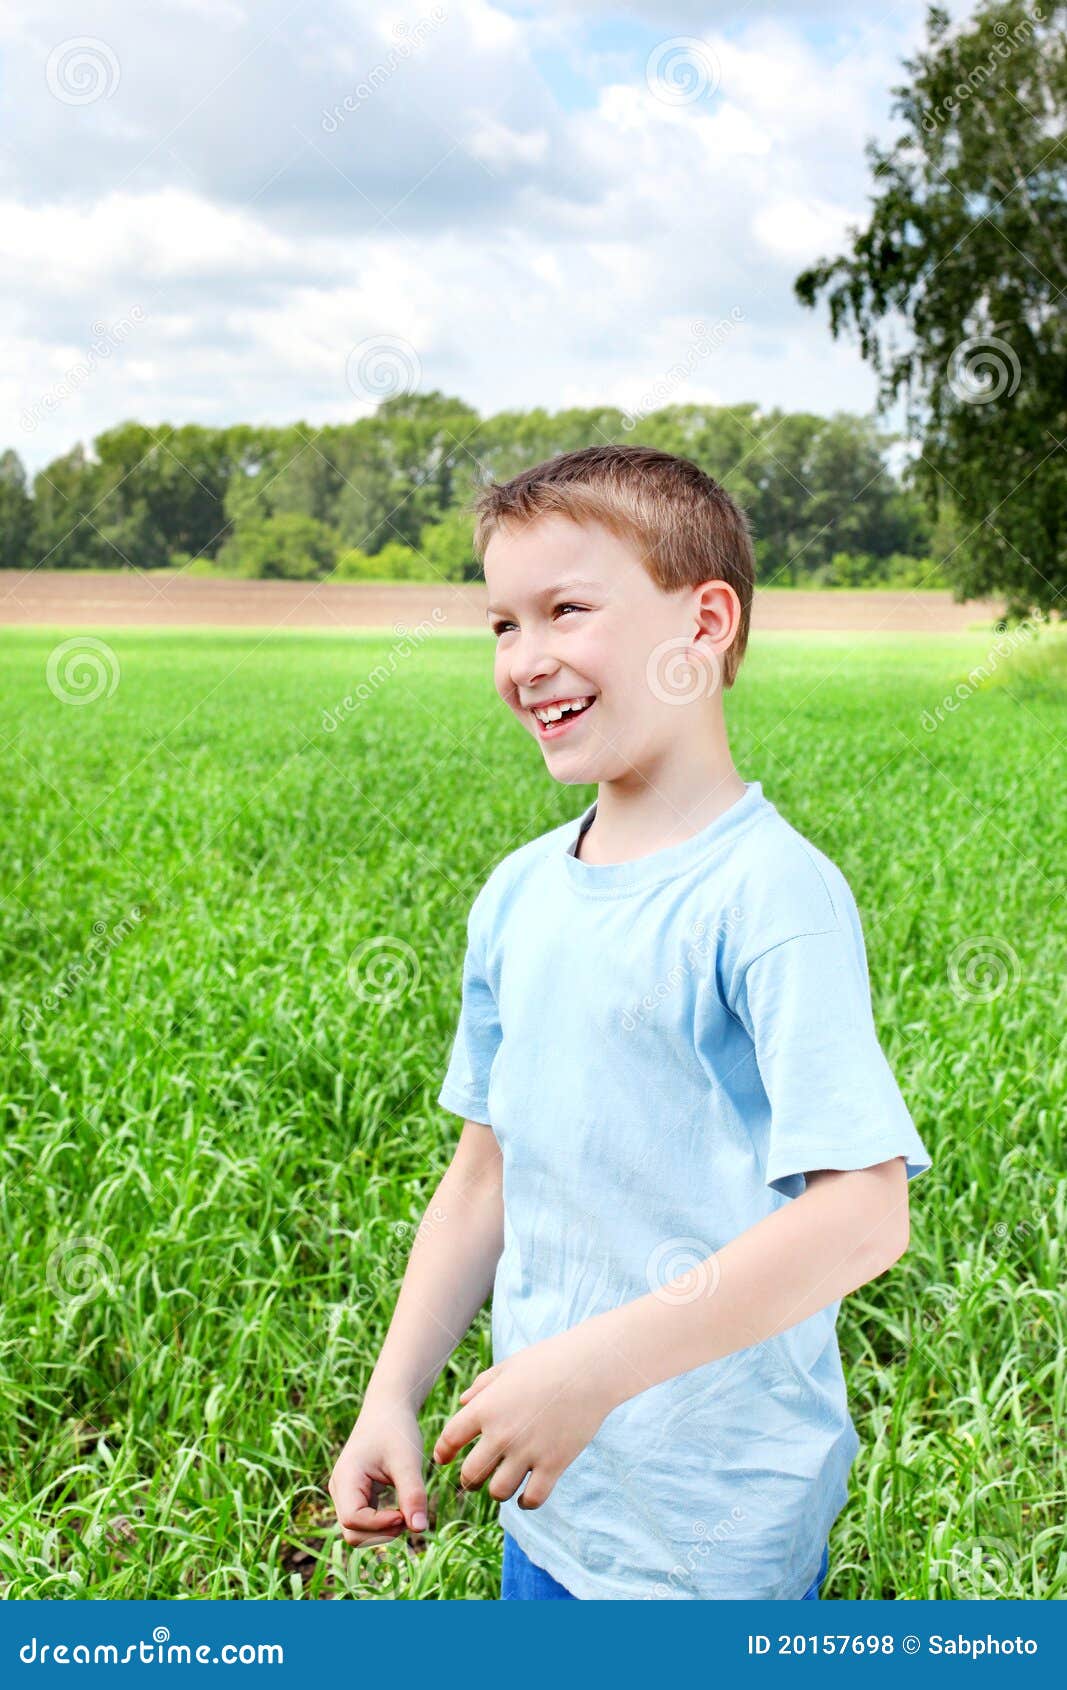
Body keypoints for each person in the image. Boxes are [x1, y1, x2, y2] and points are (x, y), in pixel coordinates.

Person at [328, 443, 933, 1600]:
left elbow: (863, 1214)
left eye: (566, 608)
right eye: (501, 623)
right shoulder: (516, 893)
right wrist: (390, 1393)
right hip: (553, 1508)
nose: (526, 659)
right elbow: (482, 1178)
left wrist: (591, 1371)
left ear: (703, 623)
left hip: (714, 1533)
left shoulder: (768, 895)